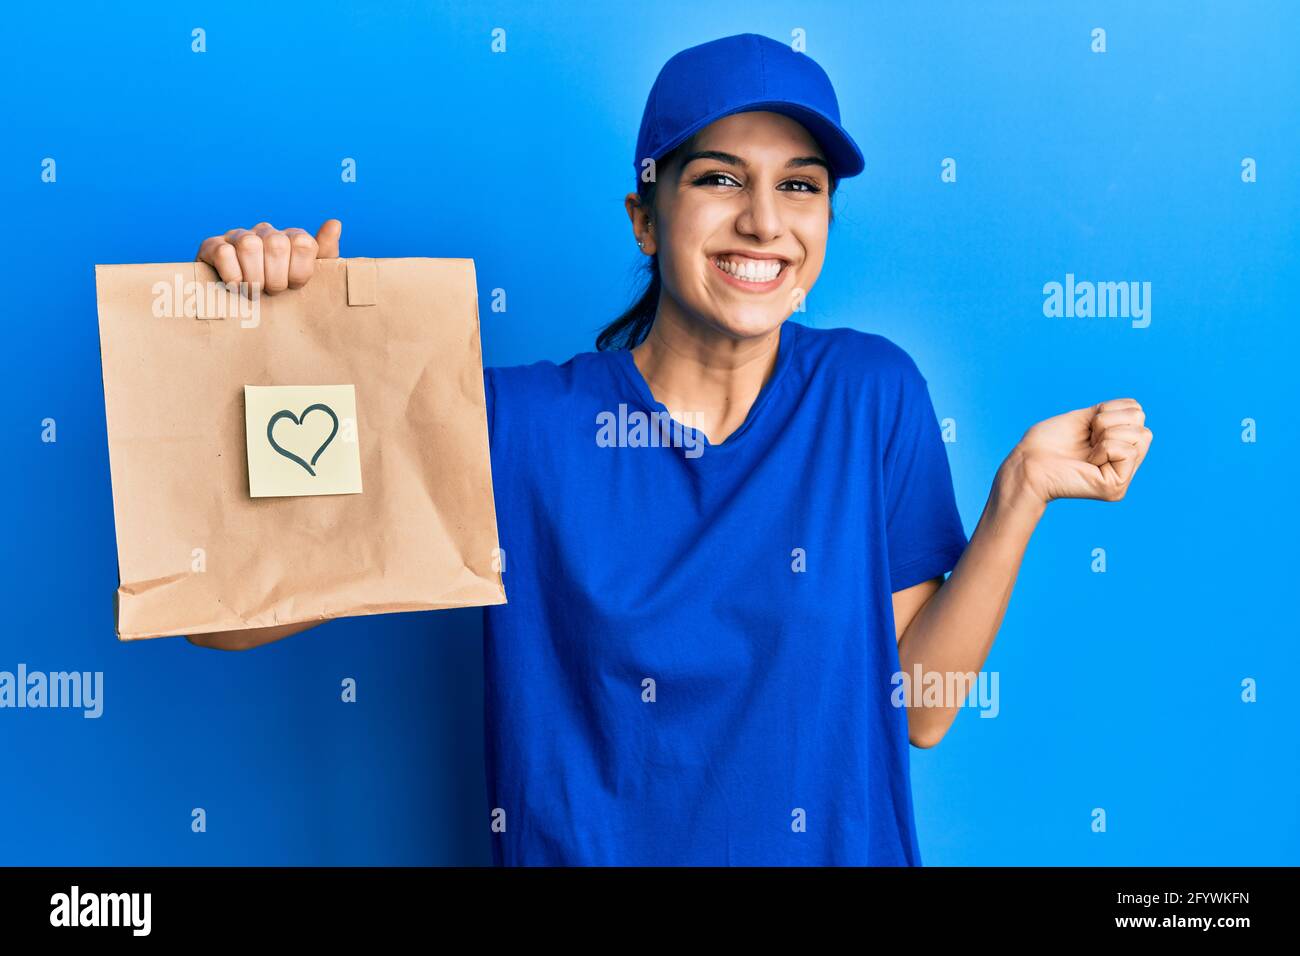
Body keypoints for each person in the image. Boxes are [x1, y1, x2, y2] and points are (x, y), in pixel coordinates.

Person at [184, 33, 1152, 865]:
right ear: (645, 217)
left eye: (799, 186)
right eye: (719, 177)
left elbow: (921, 707)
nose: (764, 221)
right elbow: (221, 618)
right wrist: (272, 335)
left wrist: (1018, 493)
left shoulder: (870, 395)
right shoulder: (517, 430)